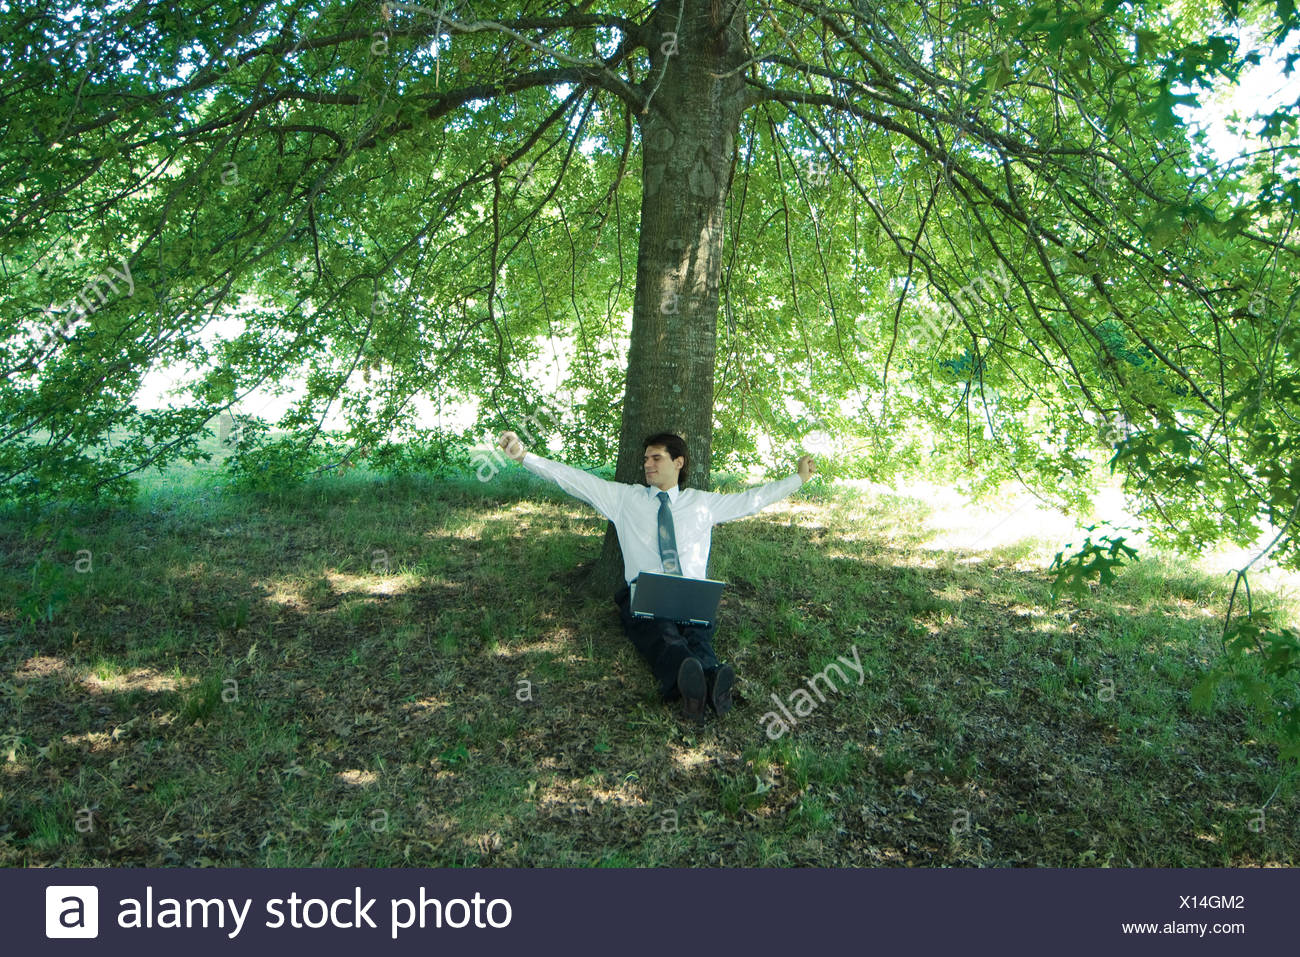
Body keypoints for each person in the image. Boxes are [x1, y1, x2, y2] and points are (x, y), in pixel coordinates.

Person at [497, 429, 815, 721]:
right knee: (663, 636)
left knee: (698, 636)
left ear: (678, 462)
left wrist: (798, 479)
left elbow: (752, 500)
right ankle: (701, 678)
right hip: (645, 592)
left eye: (656, 458)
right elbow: (572, 479)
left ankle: (707, 680)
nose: (647, 464)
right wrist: (524, 457)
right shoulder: (625, 499)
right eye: (645, 459)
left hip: (691, 593)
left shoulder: (703, 504)